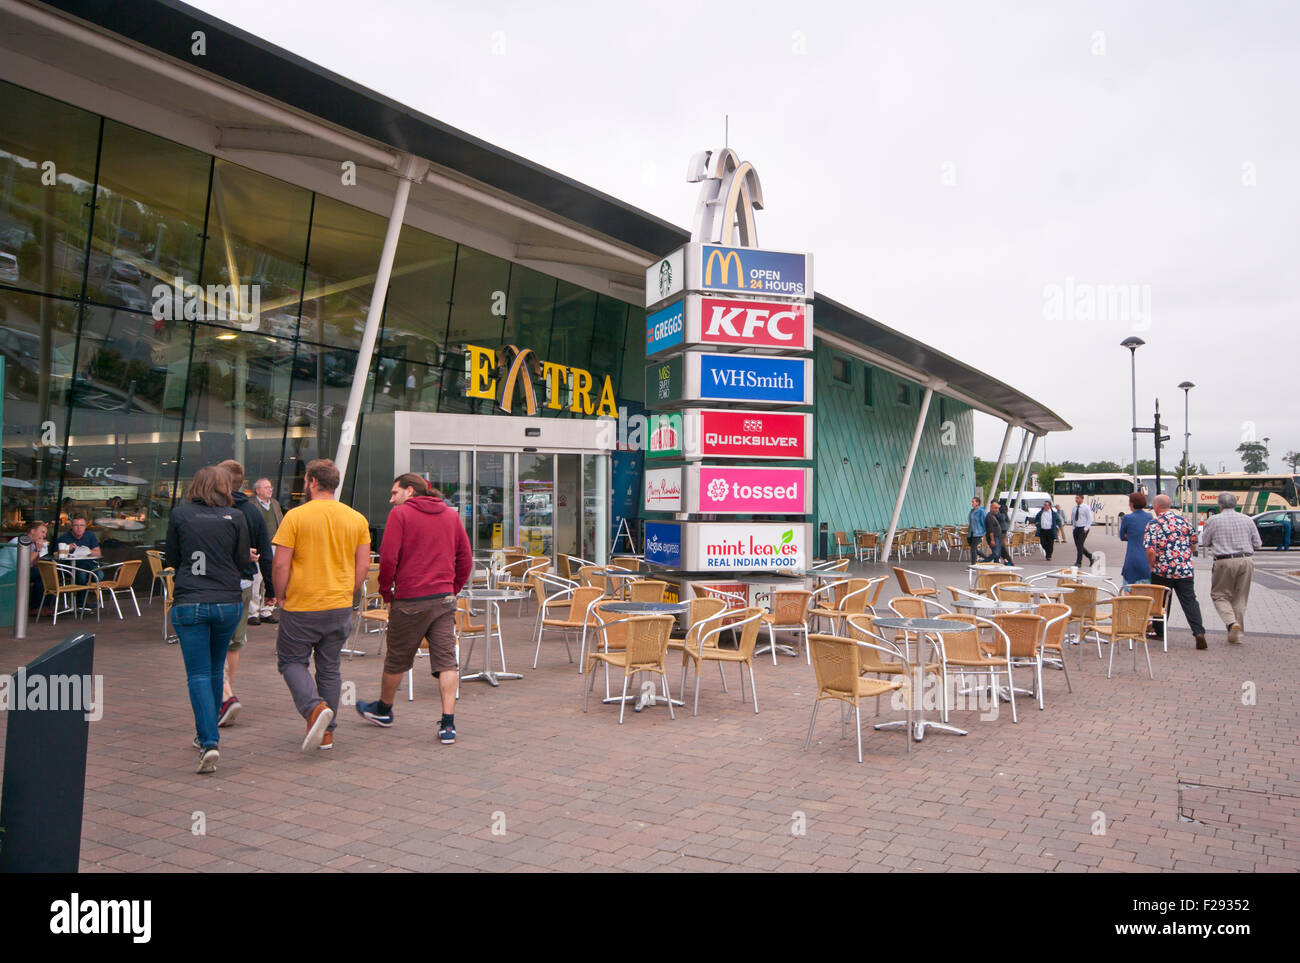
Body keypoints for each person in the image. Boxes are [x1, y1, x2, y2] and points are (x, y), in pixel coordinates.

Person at [357, 473, 472, 744]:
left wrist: (386, 592)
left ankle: (384, 710)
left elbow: (388, 558)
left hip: (410, 599)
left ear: (410, 491)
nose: (391, 499)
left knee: (397, 658)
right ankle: (448, 724)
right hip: (443, 598)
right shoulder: (450, 516)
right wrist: (452, 587)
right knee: (446, 660)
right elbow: (465, 558)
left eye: (394, 493)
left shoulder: (401, 515)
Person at [272, 459, 370, 751]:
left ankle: (314, 709)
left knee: (291, 662)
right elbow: (363, 565)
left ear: (312, 481)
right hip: (338, 604)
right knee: (329, 668)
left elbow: (280, 563)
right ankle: (327, 733)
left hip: (302, 604)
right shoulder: (356, 518)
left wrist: (280, 595)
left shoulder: (295, 517)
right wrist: (347, 591)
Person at [164, 466, 250, 774]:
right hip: (227, 603)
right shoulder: (236, 517)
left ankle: (209, 741)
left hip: (190, 602)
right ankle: (206, 736)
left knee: (198, 674)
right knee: (215, 670)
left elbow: (171, 559)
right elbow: (242, 563)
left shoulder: (180, 515)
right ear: (225, 487)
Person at [215, 460, 275, 728]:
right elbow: (266, 552)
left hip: (213, 584)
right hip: (242, 583)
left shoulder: (209, 508)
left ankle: (224, 695)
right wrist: (272, 589)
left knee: (212, 641)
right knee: (234, 643)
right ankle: (225, 694)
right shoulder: (252, 512)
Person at [1143, 494, 1207, 650]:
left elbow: (1151, 550)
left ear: (1157, 507)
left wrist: (1151, 565)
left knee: (1162, 601)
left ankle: (1160, 632)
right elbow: (1193, 543)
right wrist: (1183, 557)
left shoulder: (1153, 524)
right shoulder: (1184, 521)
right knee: (1190, 601)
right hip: (1184, 570)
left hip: (1162, 570)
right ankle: (1198, 632)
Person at [1200, 491, 1262, 644]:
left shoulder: (1213, 520)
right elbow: (1258, 543)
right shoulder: (1247, 520)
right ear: (1236, 504)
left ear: (1219, 505)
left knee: (1219, 595)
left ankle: (1231, 622)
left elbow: (1205, 542)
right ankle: (1237, 632)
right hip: (1246, 560)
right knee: (1240, 597)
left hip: (1224, 561)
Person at [251, 477, 283, 622]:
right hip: (258, 546)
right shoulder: (251, 504)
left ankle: (267, 610)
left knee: (270, 579)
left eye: (270, 487)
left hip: (274, 546)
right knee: (257, 579)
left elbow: (281, 522)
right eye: (266, 487)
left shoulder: (275, 504)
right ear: (257, 490)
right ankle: (253, 613)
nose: (270, 489)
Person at [58, 514, 102, 612]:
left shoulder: (90, 535)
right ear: (72, 527)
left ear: (85, 527)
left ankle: (84, 601)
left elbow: (98, 553)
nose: (79, 528)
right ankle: (80, 603)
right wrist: (67, 548)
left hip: (89, 564)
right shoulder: (64, 537)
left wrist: (88, 551)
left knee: (99, 574)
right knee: (81, 575)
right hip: (71, 566)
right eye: (76, 525)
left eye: (81, 525)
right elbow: (55, 554)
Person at [8, 520, 49, 611]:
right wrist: (37, 550)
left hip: (21, 572)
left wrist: (40, 550)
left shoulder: (33, 545)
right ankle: (35, 607)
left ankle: (40, 607)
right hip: (9, 572)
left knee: (45, 574)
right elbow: (21, 564)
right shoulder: (17, 541)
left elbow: (34, 565)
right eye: (42, 532)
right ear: (32, 531)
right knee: (42, 574)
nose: (44, 536)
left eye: (45, 533)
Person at [1119, 491, 1153, 589]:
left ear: (1132, 503)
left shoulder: (1127, 518)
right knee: (1145, 592)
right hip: (1147, 559)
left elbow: (1122, 536)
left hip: (1132, 559)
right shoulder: (1149, 516)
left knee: (1128, 589)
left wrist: (1130, 536)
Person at [1069, 494, 1094, 568]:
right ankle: (1090, 556)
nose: (1076, 500)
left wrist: (1086, 528)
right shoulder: (1074, 508)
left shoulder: (1086, 507)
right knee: (1078, 546)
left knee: (1080, 545)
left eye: (1078, 498)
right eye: (1076, 498)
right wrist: (1073, 527)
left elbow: (1090, 518)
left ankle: (1079, 562)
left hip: (1083, 529)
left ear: (1082, 499)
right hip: (1076, 528)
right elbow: (1073, 518)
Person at [985, 500, 1011, 565]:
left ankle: (997, 564)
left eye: (998, 508)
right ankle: (983, 563)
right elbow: (990, 530)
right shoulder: (989, 516)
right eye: (996, 508)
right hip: (994, 537)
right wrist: (992, 540)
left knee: (998, 553)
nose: (997, 510)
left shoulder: (994, 516)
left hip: (998, 537)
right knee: (996, 553)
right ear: (991, 508)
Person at [967, 496, 990, 564]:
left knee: (973, 548)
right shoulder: (972, 511)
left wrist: (985, 531)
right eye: (972, 502)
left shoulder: (981, 511)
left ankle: (973, 564)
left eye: (973, 502)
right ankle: (987, 559)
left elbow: (984, 522)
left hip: (978, 532)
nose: (972, 503)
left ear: (977, 503)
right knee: (973, 548)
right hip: (971, 532)